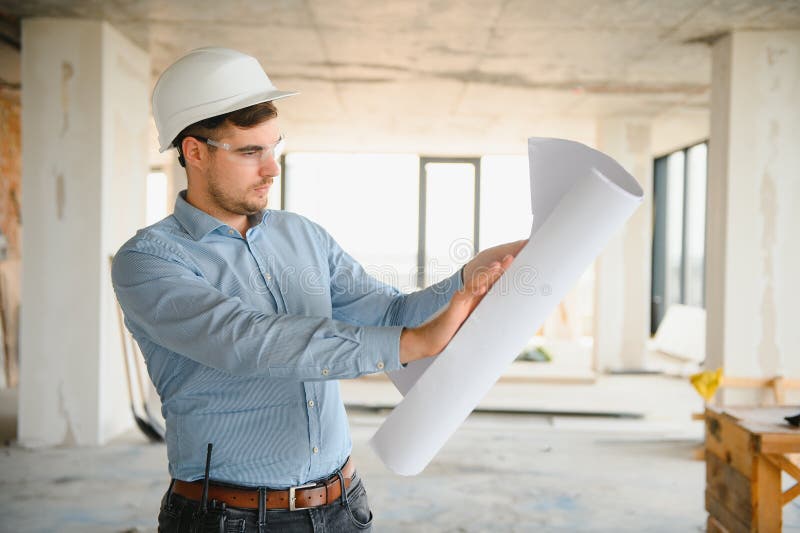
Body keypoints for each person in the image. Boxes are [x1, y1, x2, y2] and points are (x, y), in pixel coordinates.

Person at [112, 47, 525, 533]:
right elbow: (248, 341)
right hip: (228, 519)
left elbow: (389, 313)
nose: (272, 169)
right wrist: (414, 345)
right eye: (250, 152)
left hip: (343, 505)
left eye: (274, 148)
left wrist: (466, 278)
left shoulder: (301, 235)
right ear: (194, 152)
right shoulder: (150, 261)